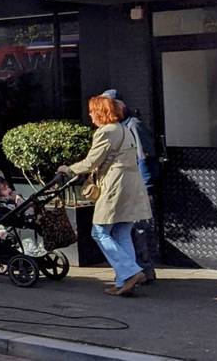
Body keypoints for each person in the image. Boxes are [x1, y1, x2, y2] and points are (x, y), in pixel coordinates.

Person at [58, 95, 152, 297]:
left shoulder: (105, 132)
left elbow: (91, 162)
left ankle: (131, 272)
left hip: (115, 186)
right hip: (131, 186)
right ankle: (123, 281)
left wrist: (68, 169)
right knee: (122, 232)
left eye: (93, 111)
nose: (90, 114)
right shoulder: (124, 129)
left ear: (101, 112)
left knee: (99, 231)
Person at [101, 89, 159, 284]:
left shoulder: (132, 125)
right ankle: (132, 271)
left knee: (140, 229)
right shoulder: (117, 128)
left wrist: (144, 185)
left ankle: (144, 270)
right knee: (128, 230)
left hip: (138, 187)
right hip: (126, 188)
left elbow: (143, 157)